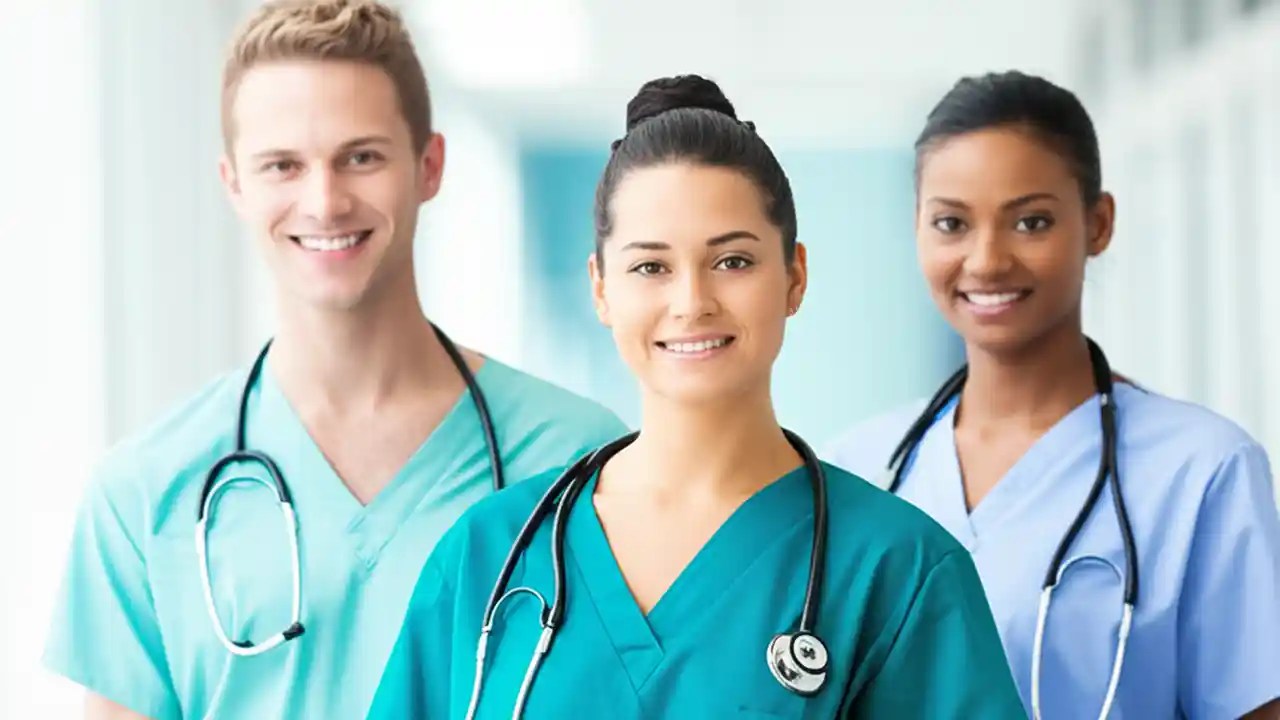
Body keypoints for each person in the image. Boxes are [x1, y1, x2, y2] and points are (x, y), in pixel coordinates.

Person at [365, 74, 1026, 719]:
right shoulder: (490, 554)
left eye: (732, 261)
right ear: (601, 288)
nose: (692, 302)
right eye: (650, 266)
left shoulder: (898, 570)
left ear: (794, 276)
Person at [41, 2, 627, 719]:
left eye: (361, 157)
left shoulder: (577, 461)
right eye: (282, 165)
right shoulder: (143, 493)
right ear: (234, 184)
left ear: (429, 166)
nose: (324, 201)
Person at [825, 70, 1280, 720]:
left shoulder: (1202, 470)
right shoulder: (854, 471)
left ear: (1098, 223)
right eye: (951, 223)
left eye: (1030, 221)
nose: (987, 260)